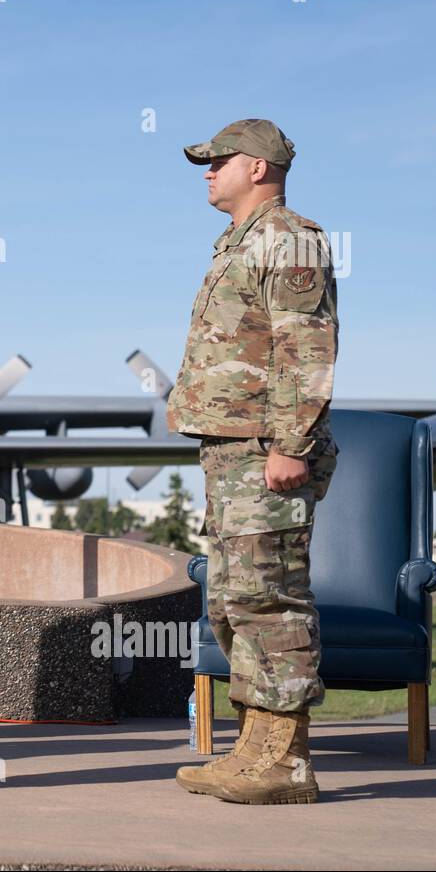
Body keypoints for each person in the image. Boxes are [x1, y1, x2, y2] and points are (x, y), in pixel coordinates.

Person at [168, 119, 339, 804]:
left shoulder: (289, 237)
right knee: (236, 601)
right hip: (232, 450)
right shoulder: (237, 242)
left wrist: (292, 444)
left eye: (219, 160)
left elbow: (308, 345)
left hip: (268, 450)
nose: (208, 170)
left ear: (259, 167)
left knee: (271, 597)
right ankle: (255, 746)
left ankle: (288, 760)